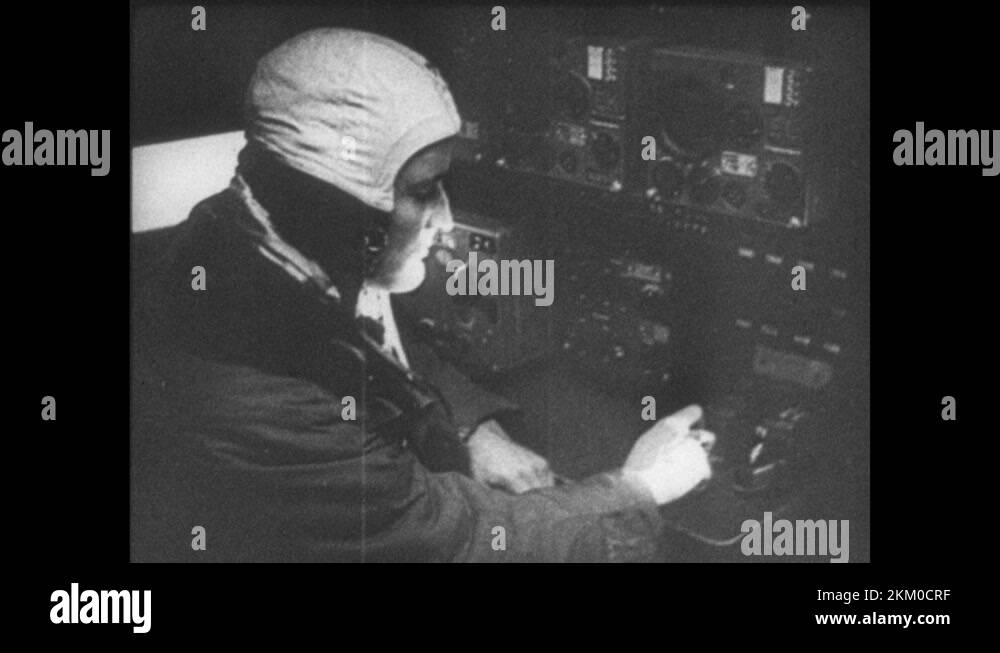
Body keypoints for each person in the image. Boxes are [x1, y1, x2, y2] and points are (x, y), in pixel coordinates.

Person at [131, 28, 714, 562]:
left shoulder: (248, 232)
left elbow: (368, 333)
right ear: (337, 207)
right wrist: (641, 487)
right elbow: (456, 542)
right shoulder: (257, 404)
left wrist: (469, 424)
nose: (446, 222)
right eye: (424, 191)